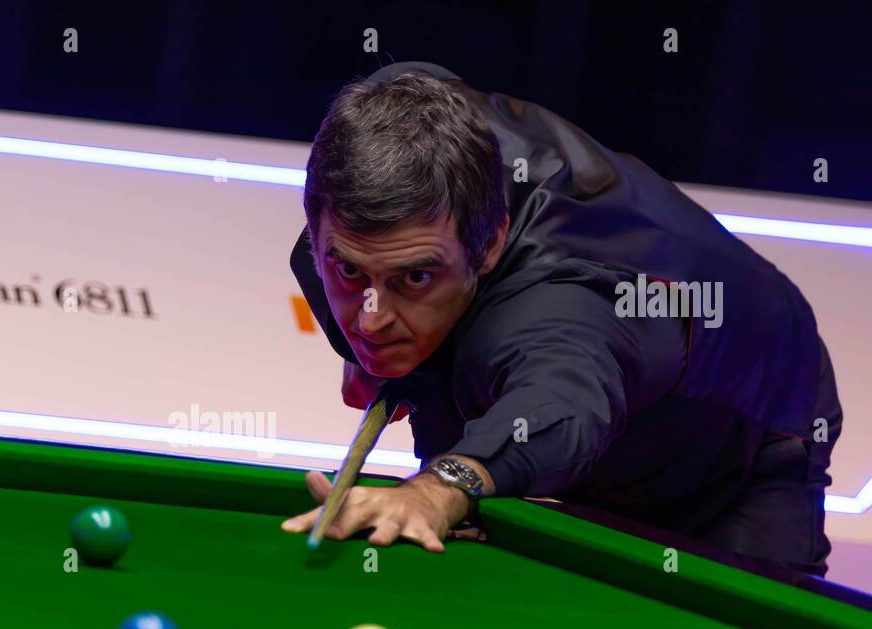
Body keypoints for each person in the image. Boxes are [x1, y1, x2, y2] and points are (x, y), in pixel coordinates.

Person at [281, 62, 842, 576]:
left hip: (749, 423)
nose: (372, 320)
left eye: (416, 278)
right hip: (515, 341)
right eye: (350, 273)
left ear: (491, 242)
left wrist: (438, 488)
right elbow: (408, 79)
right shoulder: (391, 148)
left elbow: (562, 406)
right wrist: (374, 350)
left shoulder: (560, 306)